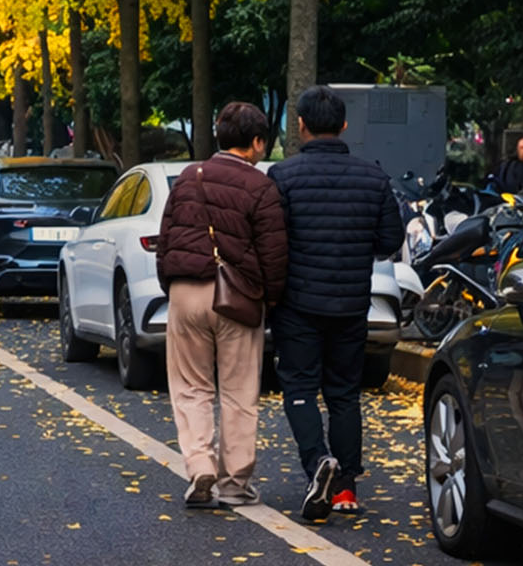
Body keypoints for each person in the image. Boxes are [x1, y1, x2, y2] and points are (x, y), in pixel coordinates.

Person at [268, 86, 402, 521]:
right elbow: (390, 241)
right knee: (345, 394)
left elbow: (273, 241)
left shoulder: (283, 177)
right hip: (350, 304)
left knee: (300, 388)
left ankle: (317, 463)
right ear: (344, 125)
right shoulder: (374, 178)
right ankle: (345, 490)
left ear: (301, 126)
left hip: (298, 305)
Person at [156, 101, 289, 510]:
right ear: (255, 142)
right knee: (238, 391)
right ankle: (234, 483)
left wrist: (171, 284)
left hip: (185, 290)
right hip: (237, 296)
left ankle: (199, 466)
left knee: (191, 386)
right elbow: (274, 252)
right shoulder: (260, 187)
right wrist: (272, 299)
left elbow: (166, 237)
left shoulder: (186, 179)